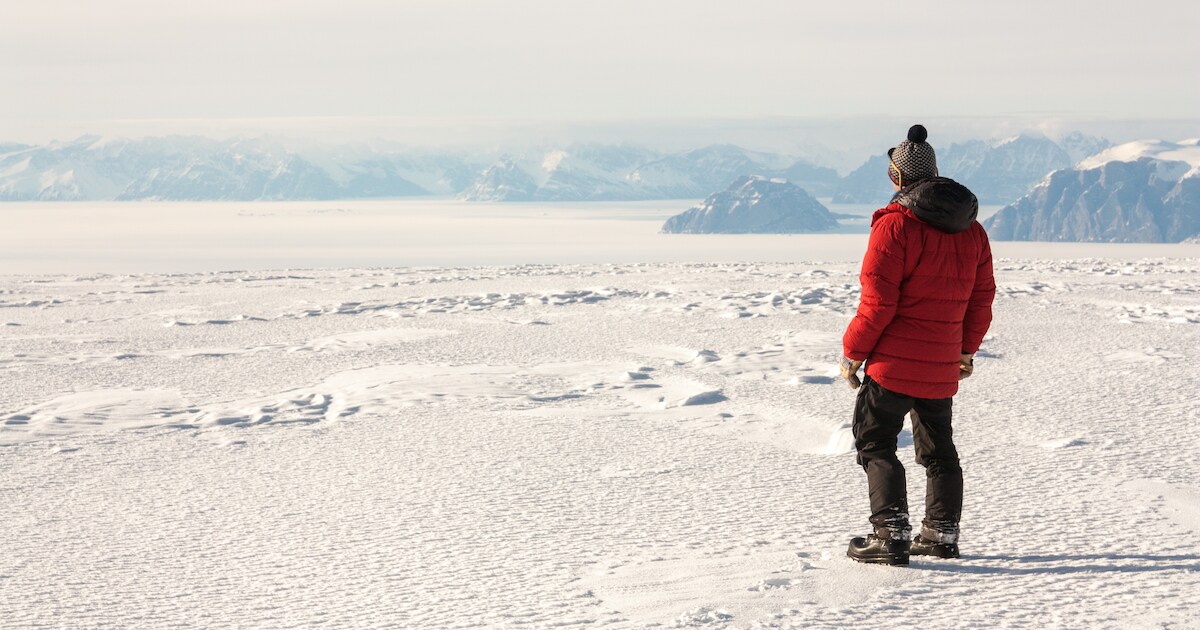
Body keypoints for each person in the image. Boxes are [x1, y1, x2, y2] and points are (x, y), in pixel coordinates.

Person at [838, 124, 995, 566]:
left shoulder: (895, 227)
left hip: (891, 364)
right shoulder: (973, 231)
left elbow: (878, 301)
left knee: (875, 442)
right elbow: (980, 299)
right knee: (939, 449)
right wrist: (964, 351)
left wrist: (853, 353)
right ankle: (941, 534)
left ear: (897, 178)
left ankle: (890, 535)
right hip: (940, 365)